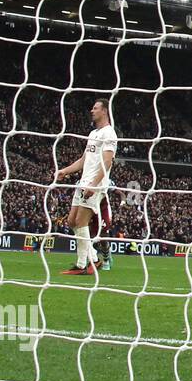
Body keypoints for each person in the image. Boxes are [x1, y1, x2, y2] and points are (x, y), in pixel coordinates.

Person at [55, 99, 117, 277]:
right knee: (71, 221)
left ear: (104, 111)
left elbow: (107, 161)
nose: (92, 110)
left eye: (95, 108)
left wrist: (95, 184)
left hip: (94, 185)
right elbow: (83, 160)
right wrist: (65, 171)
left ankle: (84, 263)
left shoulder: (109, 134)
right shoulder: (93, 133)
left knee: (81, 222)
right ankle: (90, 259)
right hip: (83, 182)